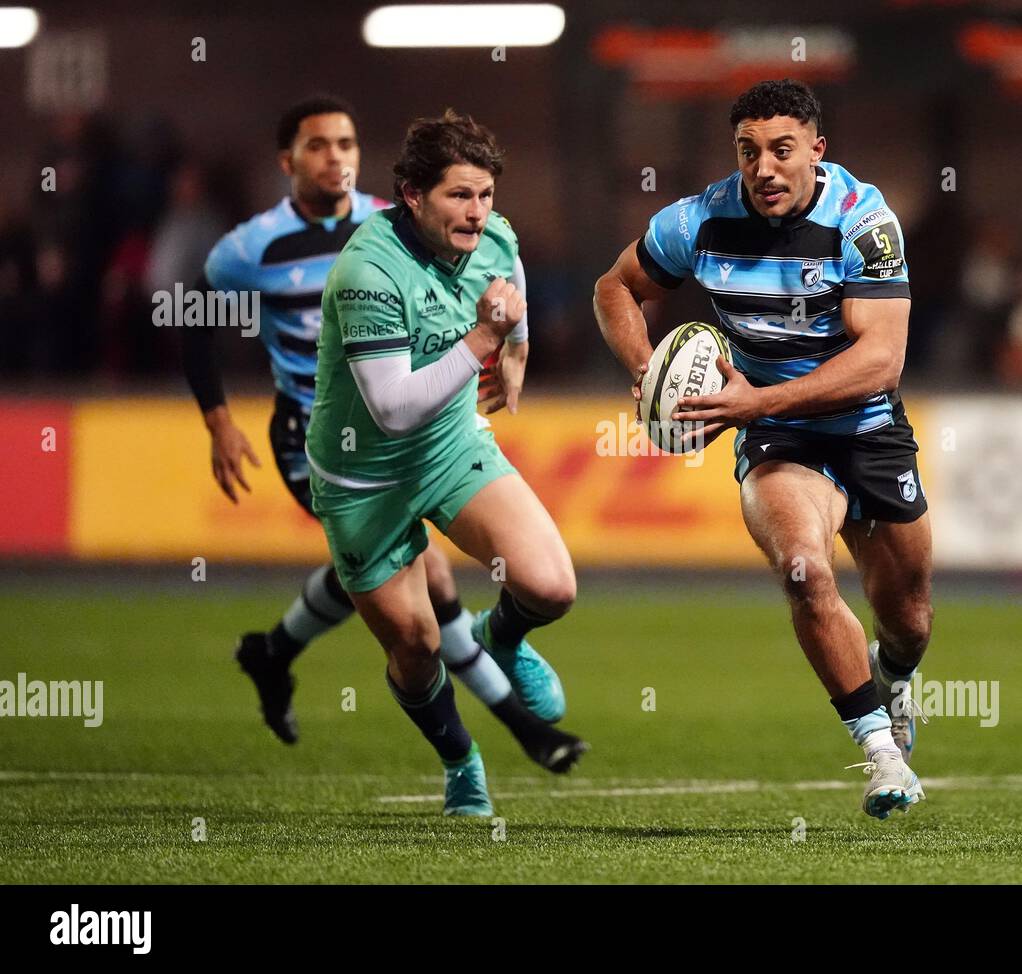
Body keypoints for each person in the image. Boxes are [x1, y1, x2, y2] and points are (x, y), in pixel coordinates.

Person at [181, 97, 563, 768]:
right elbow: (193, 318)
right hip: (327, 439)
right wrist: (218, 419)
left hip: (434, 430)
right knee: (427, 595)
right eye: (320, 145)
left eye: (347, 143)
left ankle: (275, 651)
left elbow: (503, 254)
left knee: (420, 587)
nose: (337, 157)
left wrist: (517, 347)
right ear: (287, 161)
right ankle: (503, 738)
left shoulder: (413, 216)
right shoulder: (255, 248)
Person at [593, 80, 932, 820]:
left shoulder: (864, 221)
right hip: (778, 437)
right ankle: (881, 755)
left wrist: (756, 400)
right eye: (749, 152)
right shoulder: (699, 220)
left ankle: (895, 675)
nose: (765, 169)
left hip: (867, 425)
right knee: (804, 571)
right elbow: (614, 288)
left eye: (782, 150)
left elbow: (881, 362)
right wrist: (645, 368)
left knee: (909, 619)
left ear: (817, 149)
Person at [306, 109, 587, 815]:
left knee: (551, 587)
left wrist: (514, 347)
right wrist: (486, 335)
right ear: (411, 195)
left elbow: (509, 275)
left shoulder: (492, 237)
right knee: (417, 644)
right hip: (364, 479)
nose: (477, 213)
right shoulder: (368, 272)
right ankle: (460, 759)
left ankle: (500, 640)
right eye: (460, 196)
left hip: (448, 449)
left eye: (486, 195)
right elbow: (394, 409)